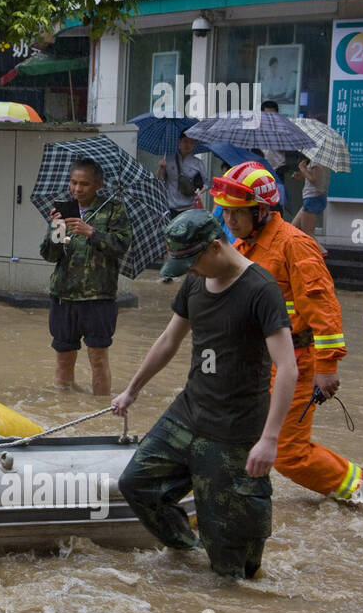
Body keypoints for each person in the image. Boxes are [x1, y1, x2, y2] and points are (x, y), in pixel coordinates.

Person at [111, 210, 296, 579]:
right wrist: (132, 390)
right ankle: (188, 550)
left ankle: (224, 578)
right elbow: (168, 341)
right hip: (189, 413)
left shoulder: (260, 288)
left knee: (232, 569)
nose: (188, 273)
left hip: (233, 431)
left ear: (215, 246)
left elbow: (288, 367)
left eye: (191, 263)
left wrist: (270, 440)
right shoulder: (196, 282)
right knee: (136, 483)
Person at [211, 161, 363, 505]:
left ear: (262, 211)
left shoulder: (294, 245)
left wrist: (327, 368)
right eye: (226, 213)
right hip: (256, 363)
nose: (229, 221)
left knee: (288, 453)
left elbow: (324, 310)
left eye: (237, 214)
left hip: (296, 362)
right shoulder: (241, 247)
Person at [39, 158, 132, 396]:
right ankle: (64, 411)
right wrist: (56, 229)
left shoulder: (114, 209)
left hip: (98, 297)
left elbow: (122, 245)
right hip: (64, 295)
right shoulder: (64, 209)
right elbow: (51, 255)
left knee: (98, 359)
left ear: (98, 184)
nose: (77, 189)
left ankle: (99, 410)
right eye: (73, 182)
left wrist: (91, 232)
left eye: (84, 184)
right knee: (63, 359)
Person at [156, 134, 205, 217]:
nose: (188, 145)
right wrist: (160, 168)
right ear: (179, 142)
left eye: (191, 142)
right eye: (185, 141)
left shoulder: (198, 163)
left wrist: (200, 192)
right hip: (170, 207)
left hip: (189, 208)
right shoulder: (169, 160)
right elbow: (158, 180)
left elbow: (206, 183)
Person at [292, 156, 331, 238]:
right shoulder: (323, 161)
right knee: (293, 229)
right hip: (314, 198)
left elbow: (314, 180)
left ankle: (321, 251)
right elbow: (316, 180)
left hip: (313, 198)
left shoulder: (316, 162)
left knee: (308, 233)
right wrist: (302, 175)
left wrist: (302, 168)